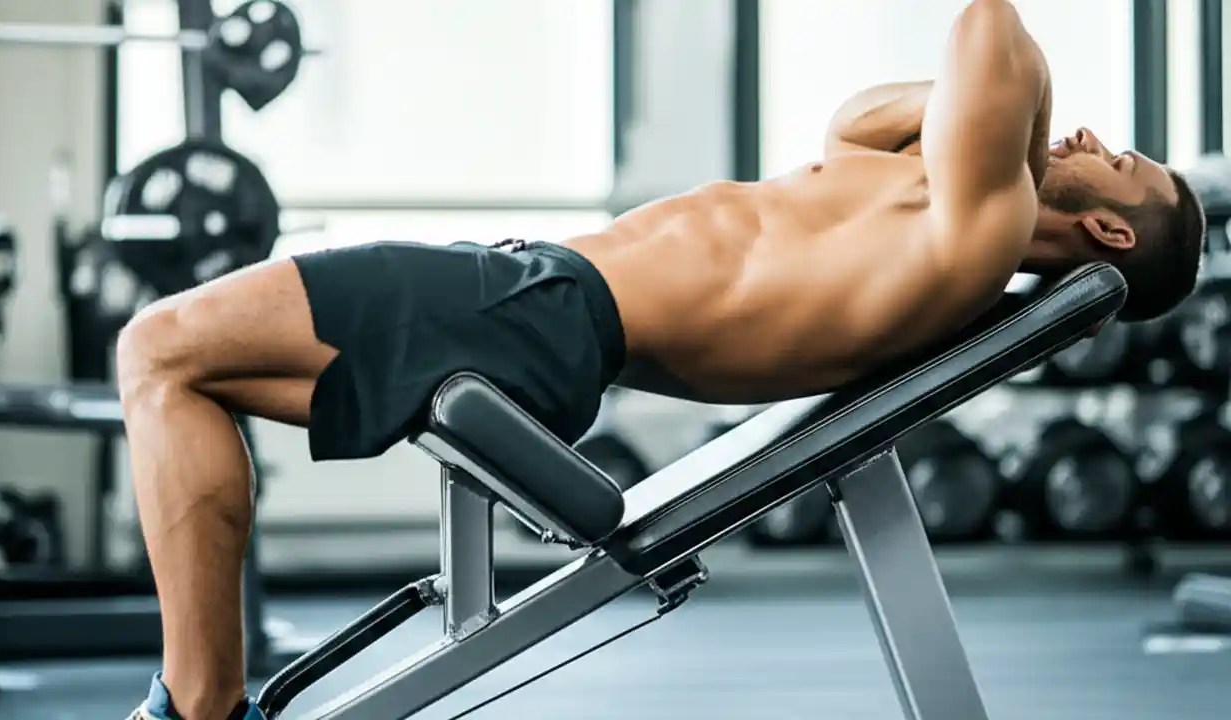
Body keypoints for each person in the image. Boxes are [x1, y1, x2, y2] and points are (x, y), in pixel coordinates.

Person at [121, 1, 1206, 718]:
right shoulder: (924, 200)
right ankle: (206, 706)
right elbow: (854, 123)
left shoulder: (968, 242)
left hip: (534, 312)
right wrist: (985, 128)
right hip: (526, 295)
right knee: (184, 371)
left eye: (1115, 161)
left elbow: (990, 33)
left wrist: (1011, 134)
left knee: (159, 349)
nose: (1084, 140)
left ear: (1111, 232)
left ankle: (200, 711)